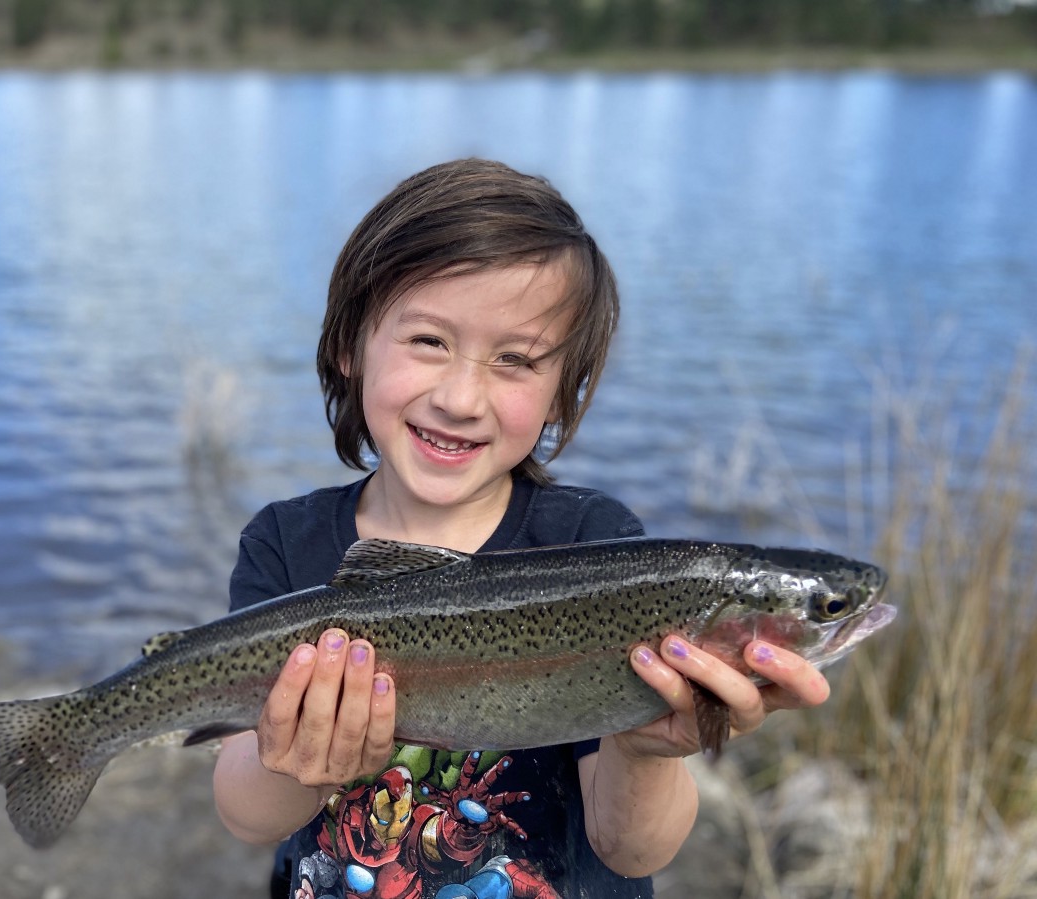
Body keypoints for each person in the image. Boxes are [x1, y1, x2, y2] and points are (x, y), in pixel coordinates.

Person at [212, 158, 830, 899]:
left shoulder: (600, 552)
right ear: (349, 344)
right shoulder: (283, 544)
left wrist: (643, 749)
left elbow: (631, 850)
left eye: (516, 359)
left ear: (560, 397)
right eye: (429, 342)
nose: (462, 397)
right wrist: (293, 759)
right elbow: (246, 814)